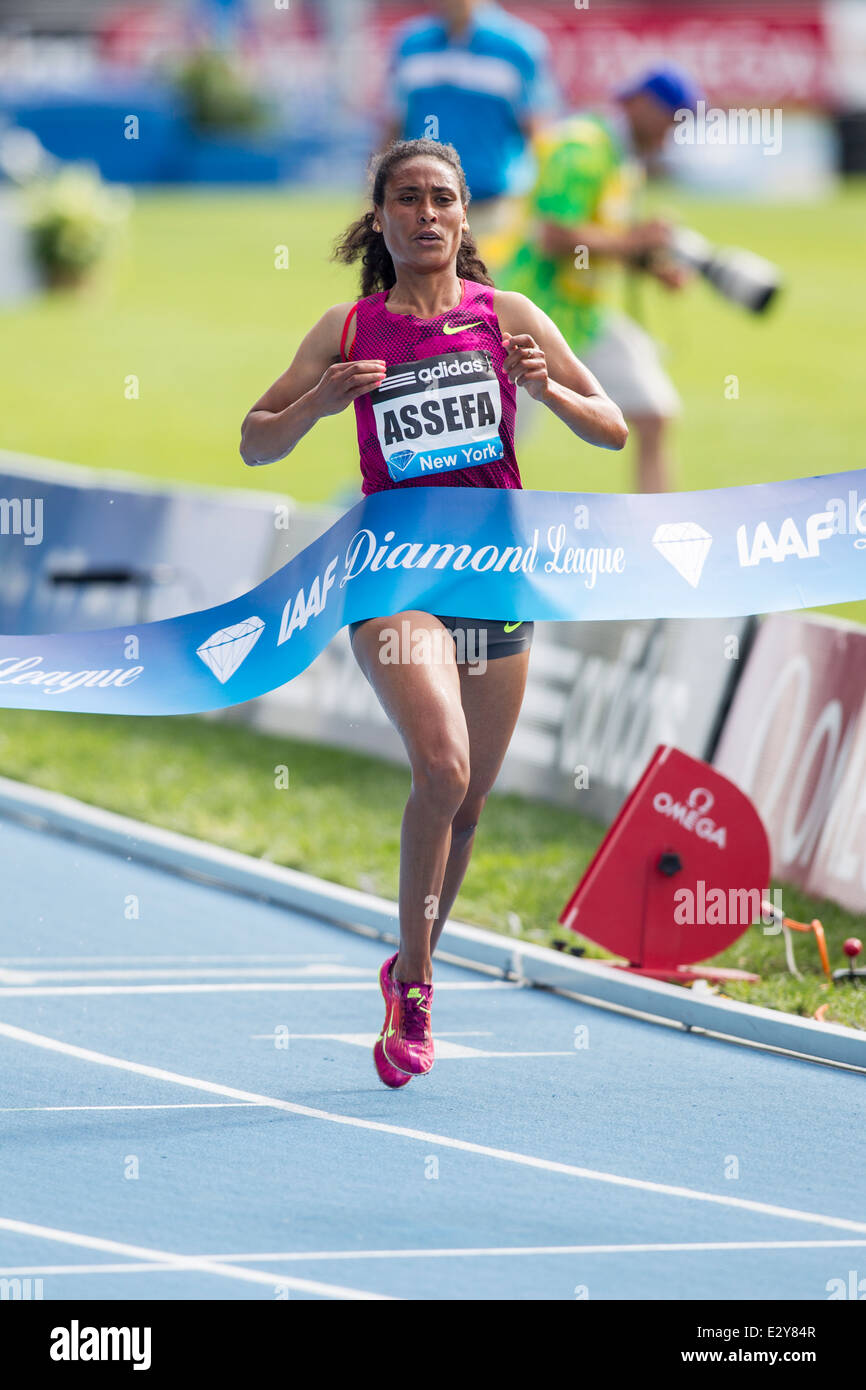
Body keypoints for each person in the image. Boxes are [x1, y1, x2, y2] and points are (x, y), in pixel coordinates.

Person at [239, 137, 626, 1089]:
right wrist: (319, 406)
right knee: (443, 768)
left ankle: (413, 972)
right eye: (405, 199)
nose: (425, 214)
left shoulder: (510, 315)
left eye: (441, 199)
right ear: (379, 218)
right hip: (397, 576)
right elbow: (255, 442)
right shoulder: (349, 327)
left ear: (464, 218)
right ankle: (413, 989)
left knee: (471, 803)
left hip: (493, 575)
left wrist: (549, 392)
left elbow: (612, 427)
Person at [498, 66, 704, 494]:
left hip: (585, 315)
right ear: (643, 106)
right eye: (674, 118)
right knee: (487, 444)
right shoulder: (583, 147)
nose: (675, 133)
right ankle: (388, 520)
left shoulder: (621, 154)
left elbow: (600, 238)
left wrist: (647, 262)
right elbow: (554, 234)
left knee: (654, 414)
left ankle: (660, 537)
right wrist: (633, 244)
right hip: (532, 316)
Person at [382, 0, 557, 254]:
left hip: (492, 206)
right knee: (419, 291)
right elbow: (392, 125)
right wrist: (376, 191)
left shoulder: (518, 47)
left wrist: (546, 205)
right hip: (419, 207)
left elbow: (539, 132)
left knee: (484, 290)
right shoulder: (410, 44)